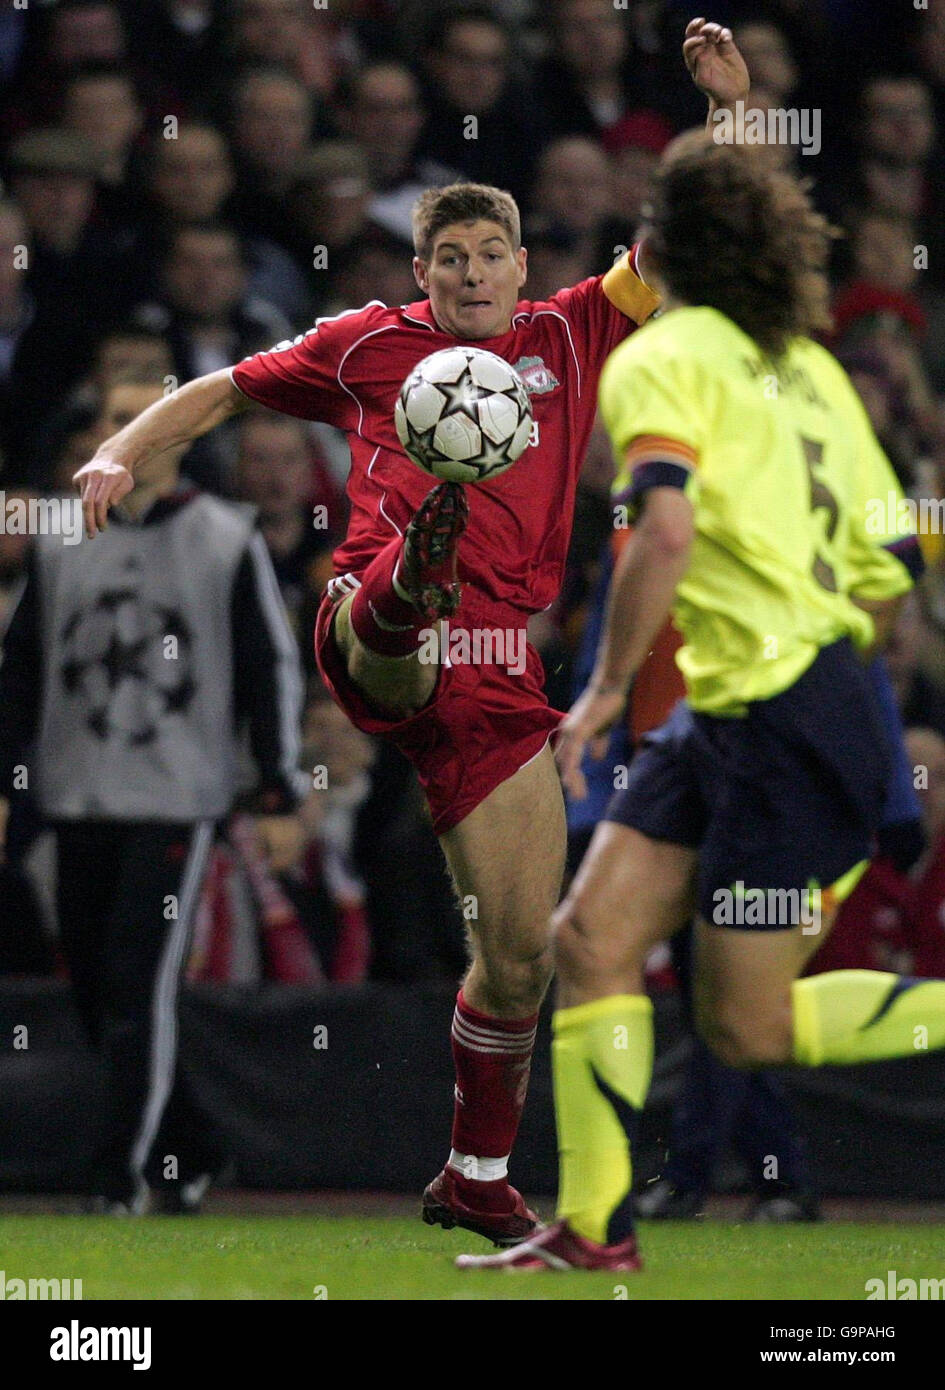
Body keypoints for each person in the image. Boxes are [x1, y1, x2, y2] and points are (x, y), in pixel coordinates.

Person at [72, 19, 750, 1247]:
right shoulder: (370, 341)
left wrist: (729, 115)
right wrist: (124, 447)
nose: (474, 274)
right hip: (372, 636)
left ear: (522, 262)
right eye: (452, 258)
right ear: (425, 272)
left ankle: (474, 1170)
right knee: (397, 629)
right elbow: (224, 390)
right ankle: (408, 579)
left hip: (504, 681)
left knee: (524, 958)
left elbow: (681, 236)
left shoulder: (571, 332)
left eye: (493, 254)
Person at [458, 129, 938, 1275]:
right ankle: (597, 1224)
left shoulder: (661, 362)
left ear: (662, 247)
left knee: (748, 1025)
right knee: (591, 936)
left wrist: (608, 687)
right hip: (761, 707)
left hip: (778, 721)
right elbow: (891, 572)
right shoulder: (813, 370)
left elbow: (661, 527)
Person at [0, 372, 304, 1213]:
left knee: (136, 988)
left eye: (139, 420)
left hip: (176, 799)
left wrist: (278, 783)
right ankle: (193, 1146)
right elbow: (19, 670)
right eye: (112, 419)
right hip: (77, 793)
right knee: (98, 995)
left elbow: (266, 664)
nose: (124, 433)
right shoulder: (61, 538)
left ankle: (121, 1177)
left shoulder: (222, 535)